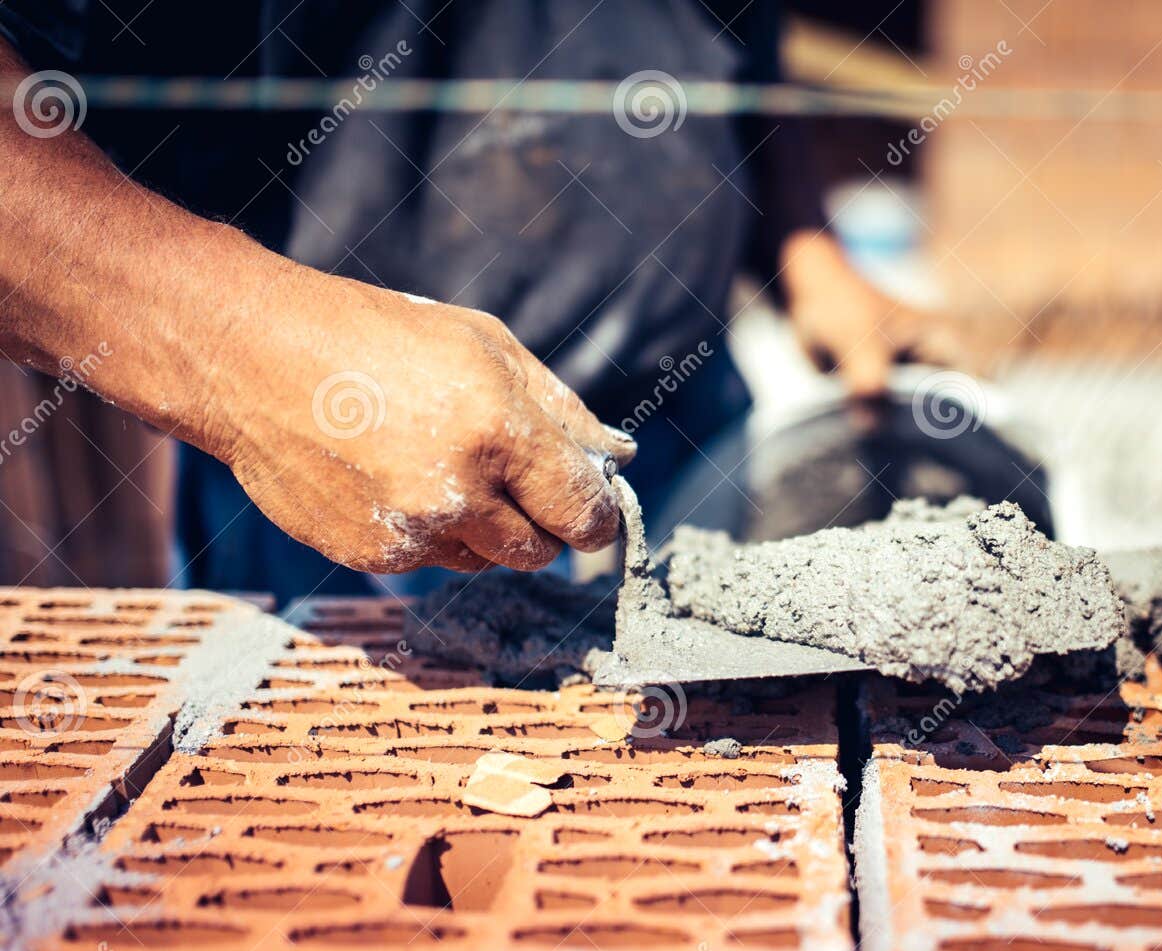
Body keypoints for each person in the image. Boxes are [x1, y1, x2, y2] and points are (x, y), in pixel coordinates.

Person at [0, 1, 925, 603]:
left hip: (686, 414)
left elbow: (736, 40)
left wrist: (810, 254)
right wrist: (244, 346)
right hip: (357, 456)